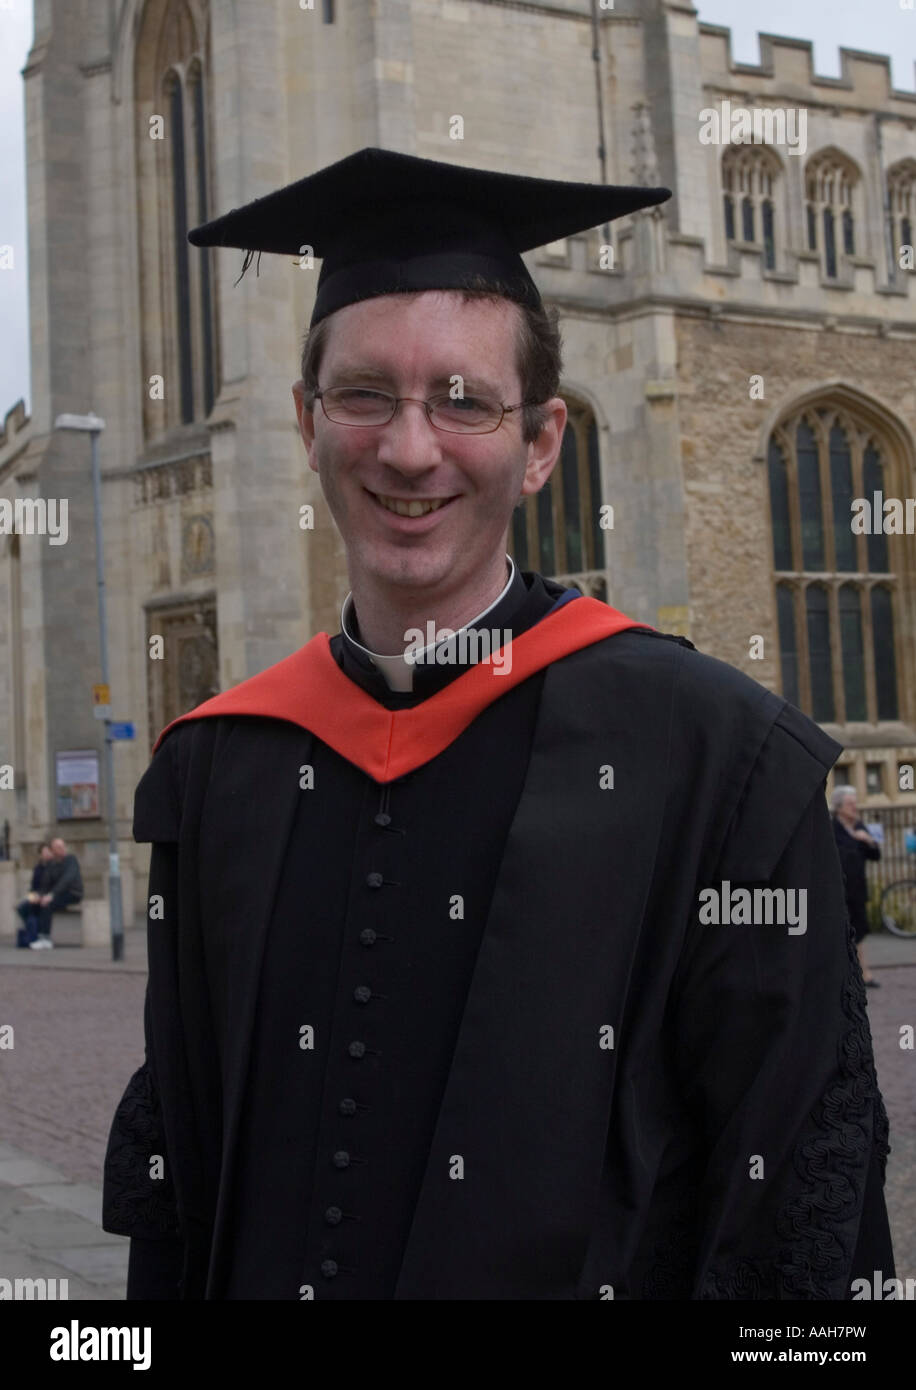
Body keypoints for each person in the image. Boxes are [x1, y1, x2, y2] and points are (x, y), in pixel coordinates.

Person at [102, 148, 892, 1300]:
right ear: (304, 421)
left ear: (540, 446)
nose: (408, 447)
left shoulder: (718, 765)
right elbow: (179, 1188)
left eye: (463, 400)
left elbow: (795, 1223)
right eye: (365, 393)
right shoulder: (224, 766)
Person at [831, 786, 882, 988]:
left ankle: (864, 973)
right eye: (850, 804)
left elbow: (876, 856)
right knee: (840, 933)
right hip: (839, 890)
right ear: (839, 807)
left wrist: (868, 840)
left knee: (860, 931)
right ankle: (843, 976)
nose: (855, 807)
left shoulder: (860, 826)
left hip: (858, 889)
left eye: (855, 803)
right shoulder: (831, 828)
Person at [29, 836, 84, 950]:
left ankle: (46, 939)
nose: (62, 849)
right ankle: (36, 936)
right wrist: (39, 895)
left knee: (47, 904)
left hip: (73, 893)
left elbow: (67, 880)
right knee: (33, 904)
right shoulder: (51, 864)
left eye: (63, 846)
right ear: (53, 850)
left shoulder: (71, 859)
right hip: (57, 894)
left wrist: (51, 895)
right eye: (58, 847)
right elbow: (45, 884)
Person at [15, 842, 54, 947]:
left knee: (34, 908)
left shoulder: (53, 866)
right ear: (40, 854)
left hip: (46, 896)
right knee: (22, 907)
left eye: (48, 852)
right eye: (44, 852)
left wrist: (40, 896)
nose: (47, 854)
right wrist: (32, 896)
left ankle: (34, 934)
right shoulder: (38, 868)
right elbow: (32, 887)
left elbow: (52, 885)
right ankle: (33, 932)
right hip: (36, 895)